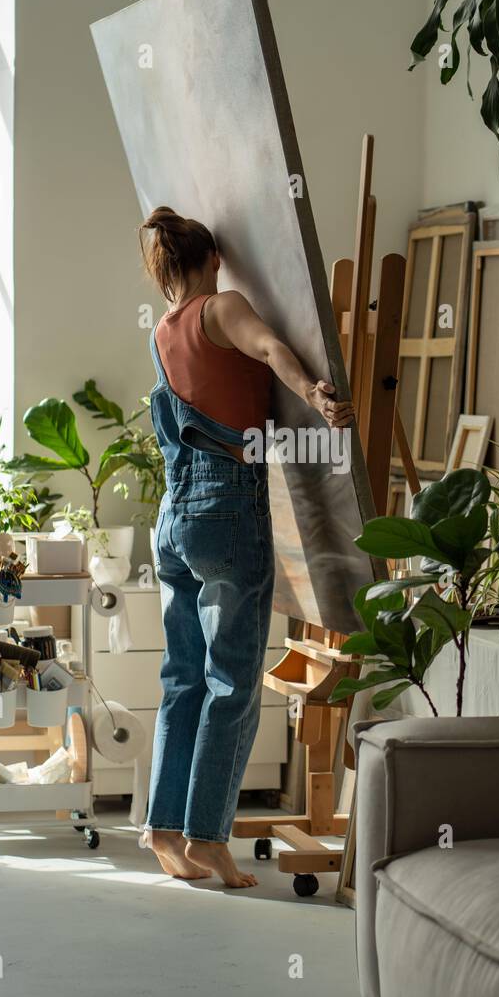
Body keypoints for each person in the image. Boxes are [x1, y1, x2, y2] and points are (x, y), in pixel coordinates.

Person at [138, 206, 354, 887]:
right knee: (230, 682)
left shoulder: (164, 334)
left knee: (182, 679)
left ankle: (164, 829)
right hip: (226, 506)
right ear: (211, 263)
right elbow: (267, 348)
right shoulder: (219, 307)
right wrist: (317, 395)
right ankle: (208, 839)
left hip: (173, 514)